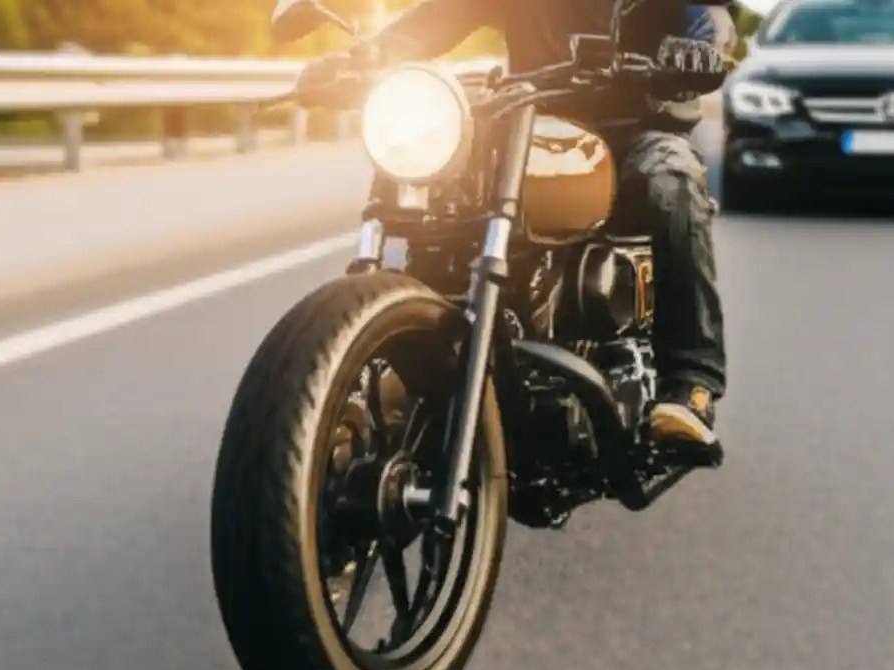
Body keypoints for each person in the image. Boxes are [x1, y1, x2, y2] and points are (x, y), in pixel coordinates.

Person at [298, 0, 735, 450]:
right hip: (529, 125)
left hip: (633, 130)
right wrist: (364, 58)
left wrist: (699, 49)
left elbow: (706, 17)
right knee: (444, 193)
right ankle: (414, 350)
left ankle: (691, 382)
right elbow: (438, 18)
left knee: (671, 178)